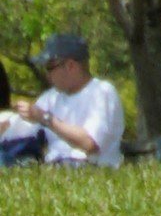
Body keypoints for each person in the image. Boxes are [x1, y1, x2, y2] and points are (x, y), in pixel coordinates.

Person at [11, 36, 126, 171]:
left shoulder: (102, 92)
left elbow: (90, 144)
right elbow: (19, 132)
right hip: (54, 169)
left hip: (92, 170)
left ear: (71, 66)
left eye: (50, 67)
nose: (48, 75)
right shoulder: (50, 97)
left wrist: (46, 118)